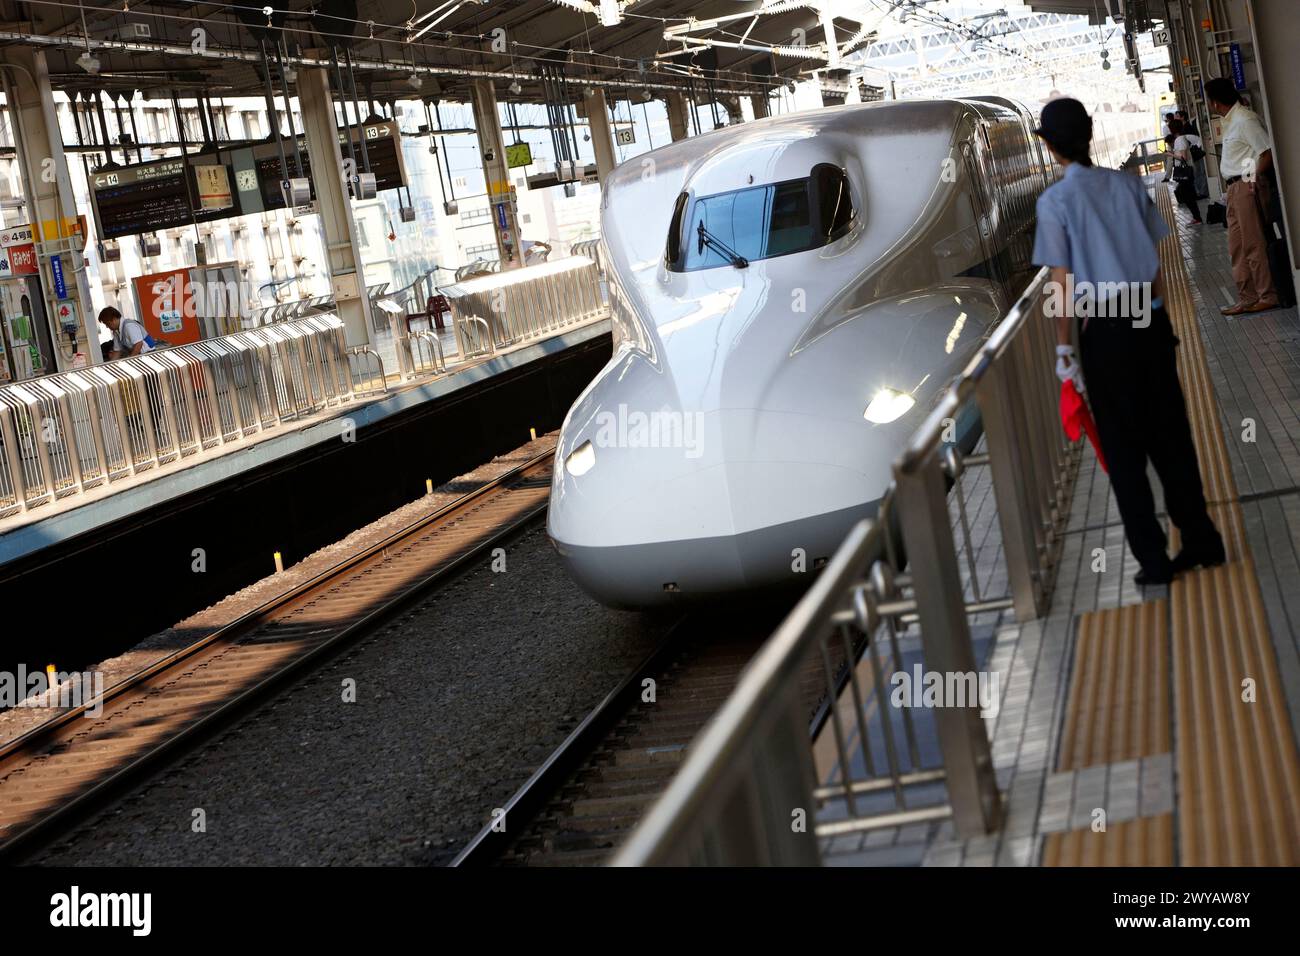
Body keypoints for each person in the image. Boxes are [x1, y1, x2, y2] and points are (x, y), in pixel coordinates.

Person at [1031, 97, 1225, 587]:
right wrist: (1158, 318)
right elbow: (1156, 263)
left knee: (1124, 453)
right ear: (1091, 133)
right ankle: (1202, 541)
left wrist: (1064, 351)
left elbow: (1063, 284)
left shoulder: (1055, 203)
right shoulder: (1128, 184)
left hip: (1107, 337)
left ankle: (1154, 561)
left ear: (1049, 145)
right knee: (1172, 437)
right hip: (1150, 323)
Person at [1205, 77, 1279, 315]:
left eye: (1209, 100)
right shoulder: (1231, 121)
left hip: (1246, 186)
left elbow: (1266, 153)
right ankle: (1247, 298)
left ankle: (1268, 295)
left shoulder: (1245, 119)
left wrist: (1252, 179)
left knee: (1253, 244)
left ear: (1216, 102)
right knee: (1237, 246)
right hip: (1234, 189)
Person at [1167, 117, 1204, 224]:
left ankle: (1197, 218)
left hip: (1186, 171)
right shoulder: (1180, 139)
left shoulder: (1180, 140)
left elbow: (1184, 157)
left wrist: (1171, 154)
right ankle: (1196, 217)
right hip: (1187, 171)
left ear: (1172, 129)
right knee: (1188, 194)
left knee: (1187, 195)